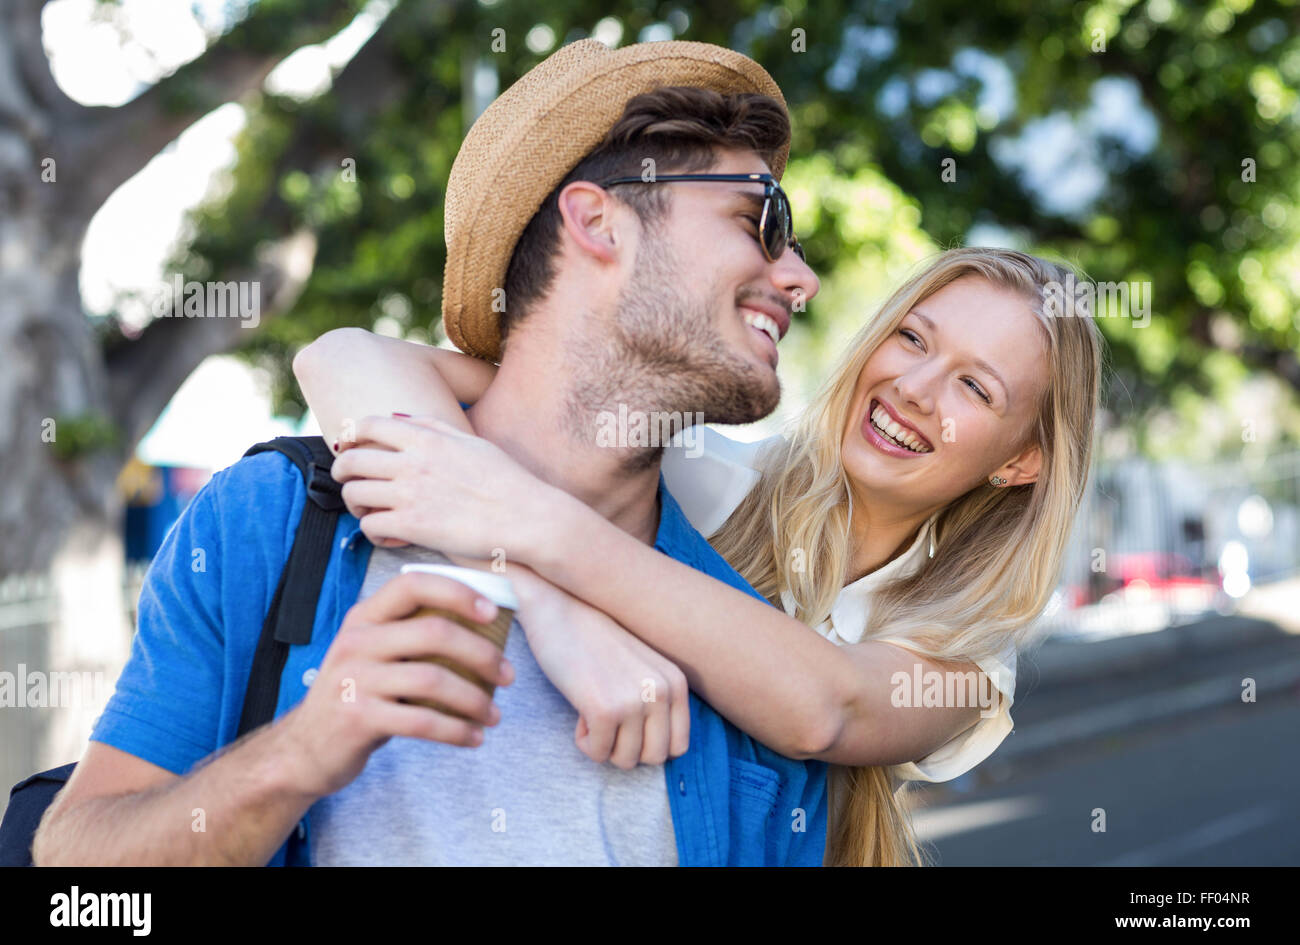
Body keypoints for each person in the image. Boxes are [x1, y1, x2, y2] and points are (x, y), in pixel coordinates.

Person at [32, 39, 831, 867]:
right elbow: (78, 878)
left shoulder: (749, 659)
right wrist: (303, 750)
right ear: (599, 221)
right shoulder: (268, 524)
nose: (800, 278)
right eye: (761, 220)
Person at [295, 246, 1104, 865]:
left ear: (1021, 461)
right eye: (912, 338)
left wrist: (532, 530)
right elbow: (343, 357)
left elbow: (826, 708)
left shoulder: (962, 664)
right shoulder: (692, 468)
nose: (915, 388)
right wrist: (547, 601)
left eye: (976, 388)